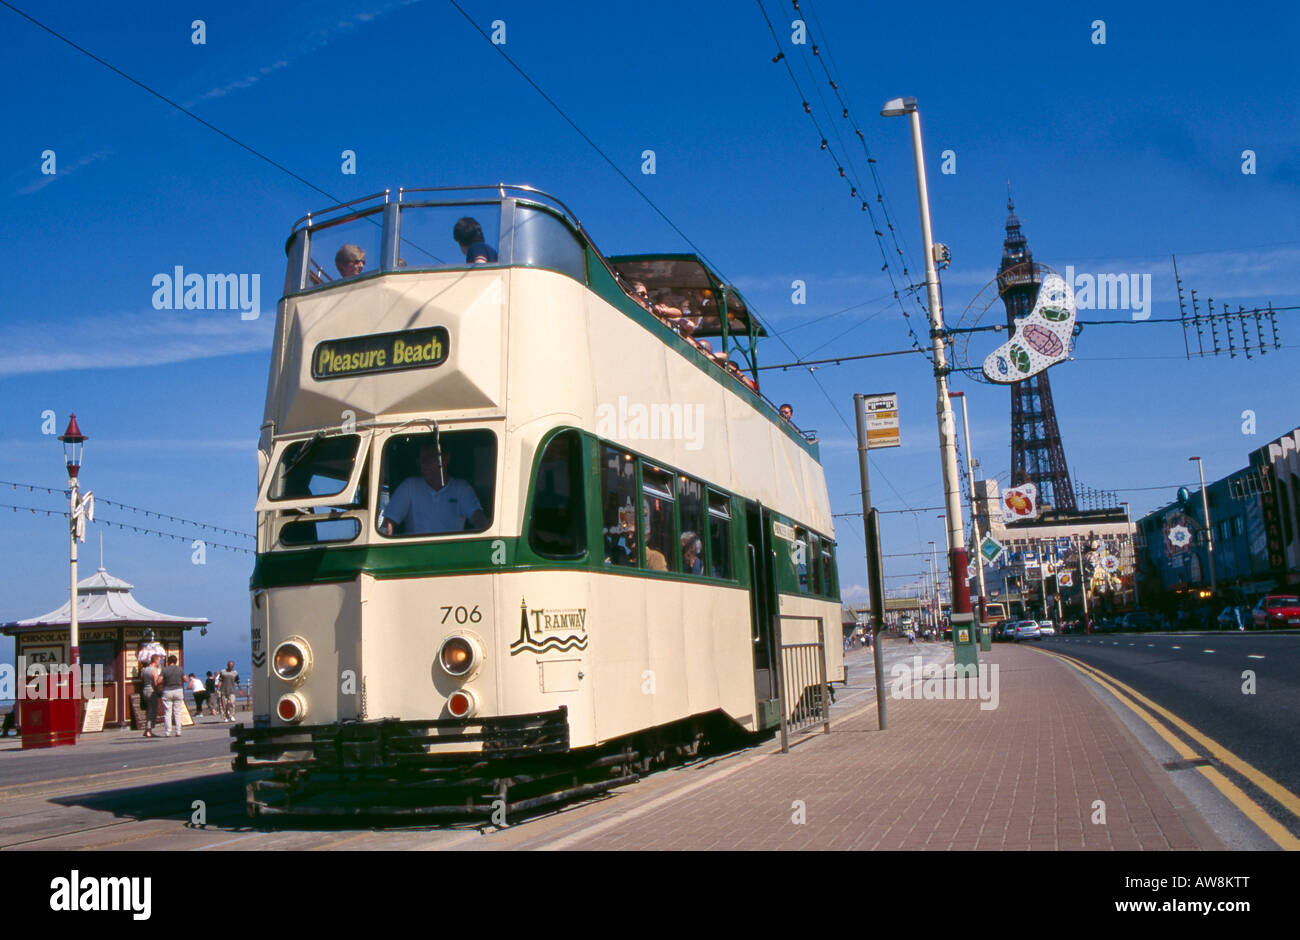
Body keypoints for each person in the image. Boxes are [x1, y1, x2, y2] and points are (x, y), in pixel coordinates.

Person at [382, 442, 488, 535]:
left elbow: (478, 519)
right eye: (422, 460)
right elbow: (388, 524)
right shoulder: (409, 486)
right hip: (414, 553)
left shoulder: (461, 488)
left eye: (430, 460)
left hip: (451, 553)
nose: (425, 465)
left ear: (446, 459)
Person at [160, 655, 186, 737]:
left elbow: (159, 680)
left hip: (167, 690)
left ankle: (168, 731)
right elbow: (185, 679)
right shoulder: (180, 669)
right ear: (176, 661)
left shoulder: (164, 670)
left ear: (168, 661)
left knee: (168, 712)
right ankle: (178, 731)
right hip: (178, 690)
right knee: (177, 712)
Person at [140, 654, 162, 737]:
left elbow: (142, 680)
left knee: (148, 711)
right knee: (152, 711)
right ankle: (149, 730)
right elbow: (156, 682)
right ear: (155, 660)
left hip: (145, 690)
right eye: (159, 660)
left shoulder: (144, 670)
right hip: (152, 691)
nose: (160, 662)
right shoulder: (154, 670)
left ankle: (147, 729)